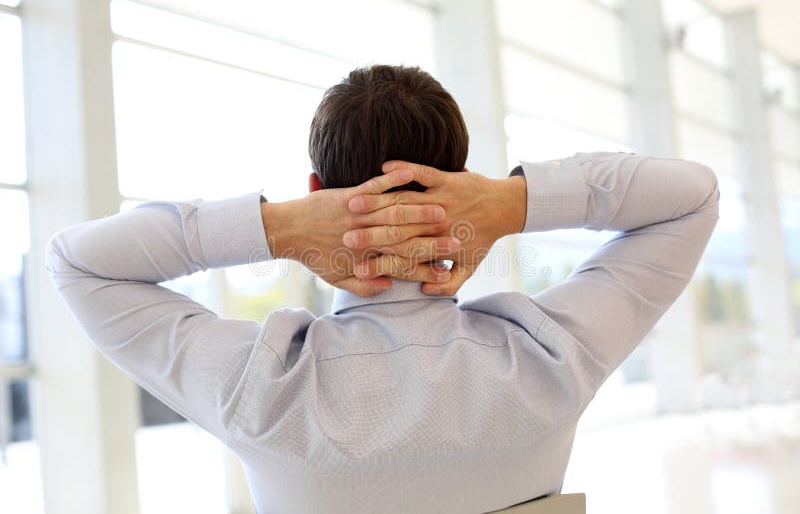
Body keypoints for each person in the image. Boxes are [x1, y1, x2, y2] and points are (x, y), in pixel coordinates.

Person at [46, 65, 719, 513]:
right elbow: (692, 198)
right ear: (464, 183)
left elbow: (78, 263)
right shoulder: (548, 362)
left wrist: (278, 226)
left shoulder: (261, 391)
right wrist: (513, 203)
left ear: (317, 192)